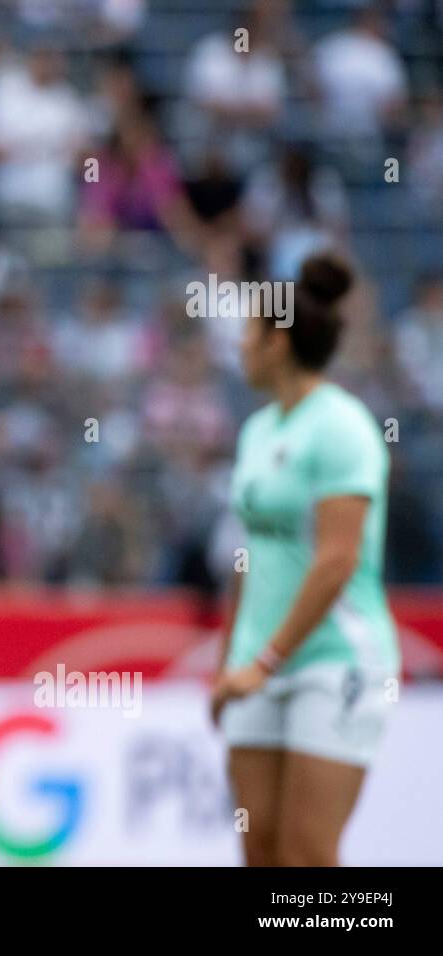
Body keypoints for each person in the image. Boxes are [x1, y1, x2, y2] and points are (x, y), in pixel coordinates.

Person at [211, 253, 400, 866]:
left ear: (279, 340)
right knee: (260, 850)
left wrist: (264, 662)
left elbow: (336, 562)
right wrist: (229, 661)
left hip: (334, 663)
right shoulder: (257, 430)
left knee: (308, 858)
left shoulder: (344, 427)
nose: (240, 343)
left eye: (249, 330)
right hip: (258, 665)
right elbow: (252, 555)